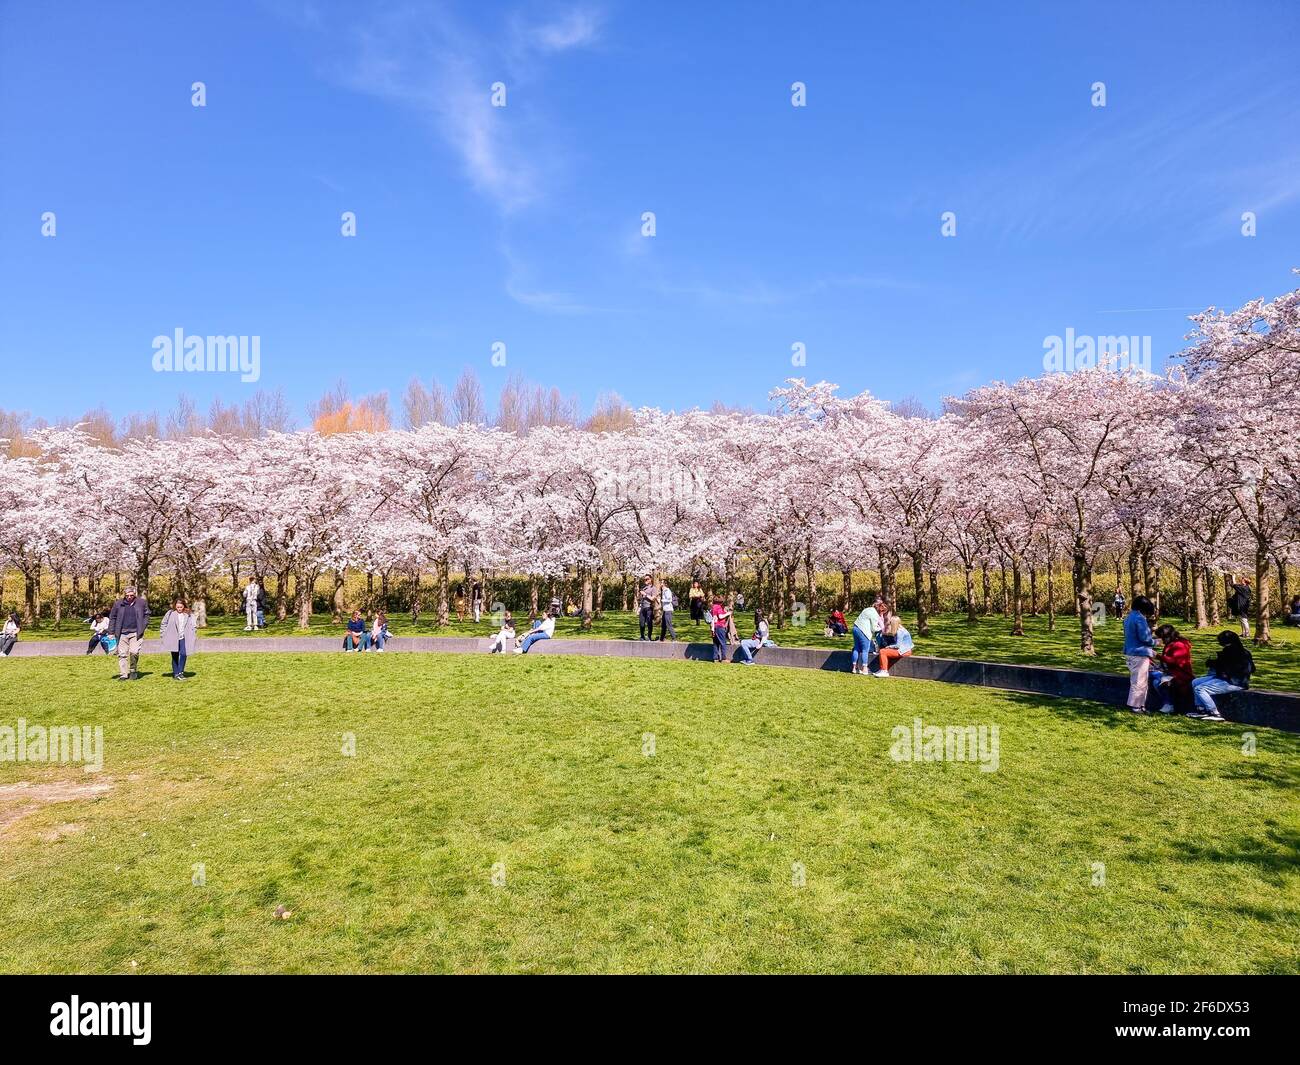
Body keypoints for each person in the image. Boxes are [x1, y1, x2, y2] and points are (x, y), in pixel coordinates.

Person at [1189, 631, 1255, 722]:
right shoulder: (1244, 651)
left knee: (1200, 689)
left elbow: (1223, 666)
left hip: (1235, 682)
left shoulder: (1231, 651)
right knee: (1195, 682)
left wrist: (1212, 663)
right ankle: (1201, 709)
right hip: (1226, 678)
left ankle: (1214, 713)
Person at [1122, 595, 1157, 713]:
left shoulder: (1128, 618)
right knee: (1139, 680)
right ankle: (1136, 706)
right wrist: (1156, 642)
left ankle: (1141, 704)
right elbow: (1145, 638)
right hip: (1139, 653)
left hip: (1130, 652)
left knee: (1139, 679)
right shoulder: (1139, 619)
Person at [1150, 623, 1193, 715]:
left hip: (1181, 675)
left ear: (1167, 636)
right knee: (1153, 677)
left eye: (1162, 638)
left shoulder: (1179, 645)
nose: (1161, 641)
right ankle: (1168, 704)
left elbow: (1175, 661)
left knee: (1159, 682)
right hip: (1171, 672)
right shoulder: (1171, 643)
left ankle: (1169, 705)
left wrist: (1157, 656)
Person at [108, 587, 150, 680]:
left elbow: (147, 614)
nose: (129, 597)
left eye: (131, 595)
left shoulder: (141, 603)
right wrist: (111, 632)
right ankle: (124, 674)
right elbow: (113, 617)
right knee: (122, 654)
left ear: (134, 594)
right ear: (124, 595)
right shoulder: (118, 603)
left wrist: (143, 626)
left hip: (136, 632)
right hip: (122, 633)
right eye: (127, 595)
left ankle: (133, 670)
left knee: (134, 652)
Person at [160, 598, 196, 680]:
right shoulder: (170, 613)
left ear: (184, 606)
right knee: (175, 656)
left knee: (183, 653)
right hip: (173, 637)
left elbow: (193, 625)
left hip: (184, 637)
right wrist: (163, 634)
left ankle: (180, 672)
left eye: (181, 607)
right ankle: (176, 674)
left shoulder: (188, 614)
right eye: (177, 607)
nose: (179, 609)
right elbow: (163, 623)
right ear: (175, 606)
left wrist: (193, 632)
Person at [850, 596, 883, 676]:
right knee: (865, 650)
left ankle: (854, 668)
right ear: (878, 606)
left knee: (856, 648)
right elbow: (874, 628)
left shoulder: (867, 609)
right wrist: (882, 629)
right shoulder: (874, 614)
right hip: (864, 632)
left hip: (855, 628)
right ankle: (865, 669)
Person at [873, 612, 913, 677]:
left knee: (883, 651)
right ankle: (882, 669)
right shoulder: (900, 629)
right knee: (884, 651)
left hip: (904, 651)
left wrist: (889, 647)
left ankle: (884, 671)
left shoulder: (900, 632)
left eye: (890, 623)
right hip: (903, 650)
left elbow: (897, 645)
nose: (889, 624)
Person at [709, 596, 732, 662]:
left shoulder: (713, 607)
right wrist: (728, 613)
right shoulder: (718, 607)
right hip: (720, 626)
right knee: (723, 643)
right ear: (721, 602)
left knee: (716, 643)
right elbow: (720, 616)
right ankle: (724, 658)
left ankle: (715, 658)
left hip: (714, 627)